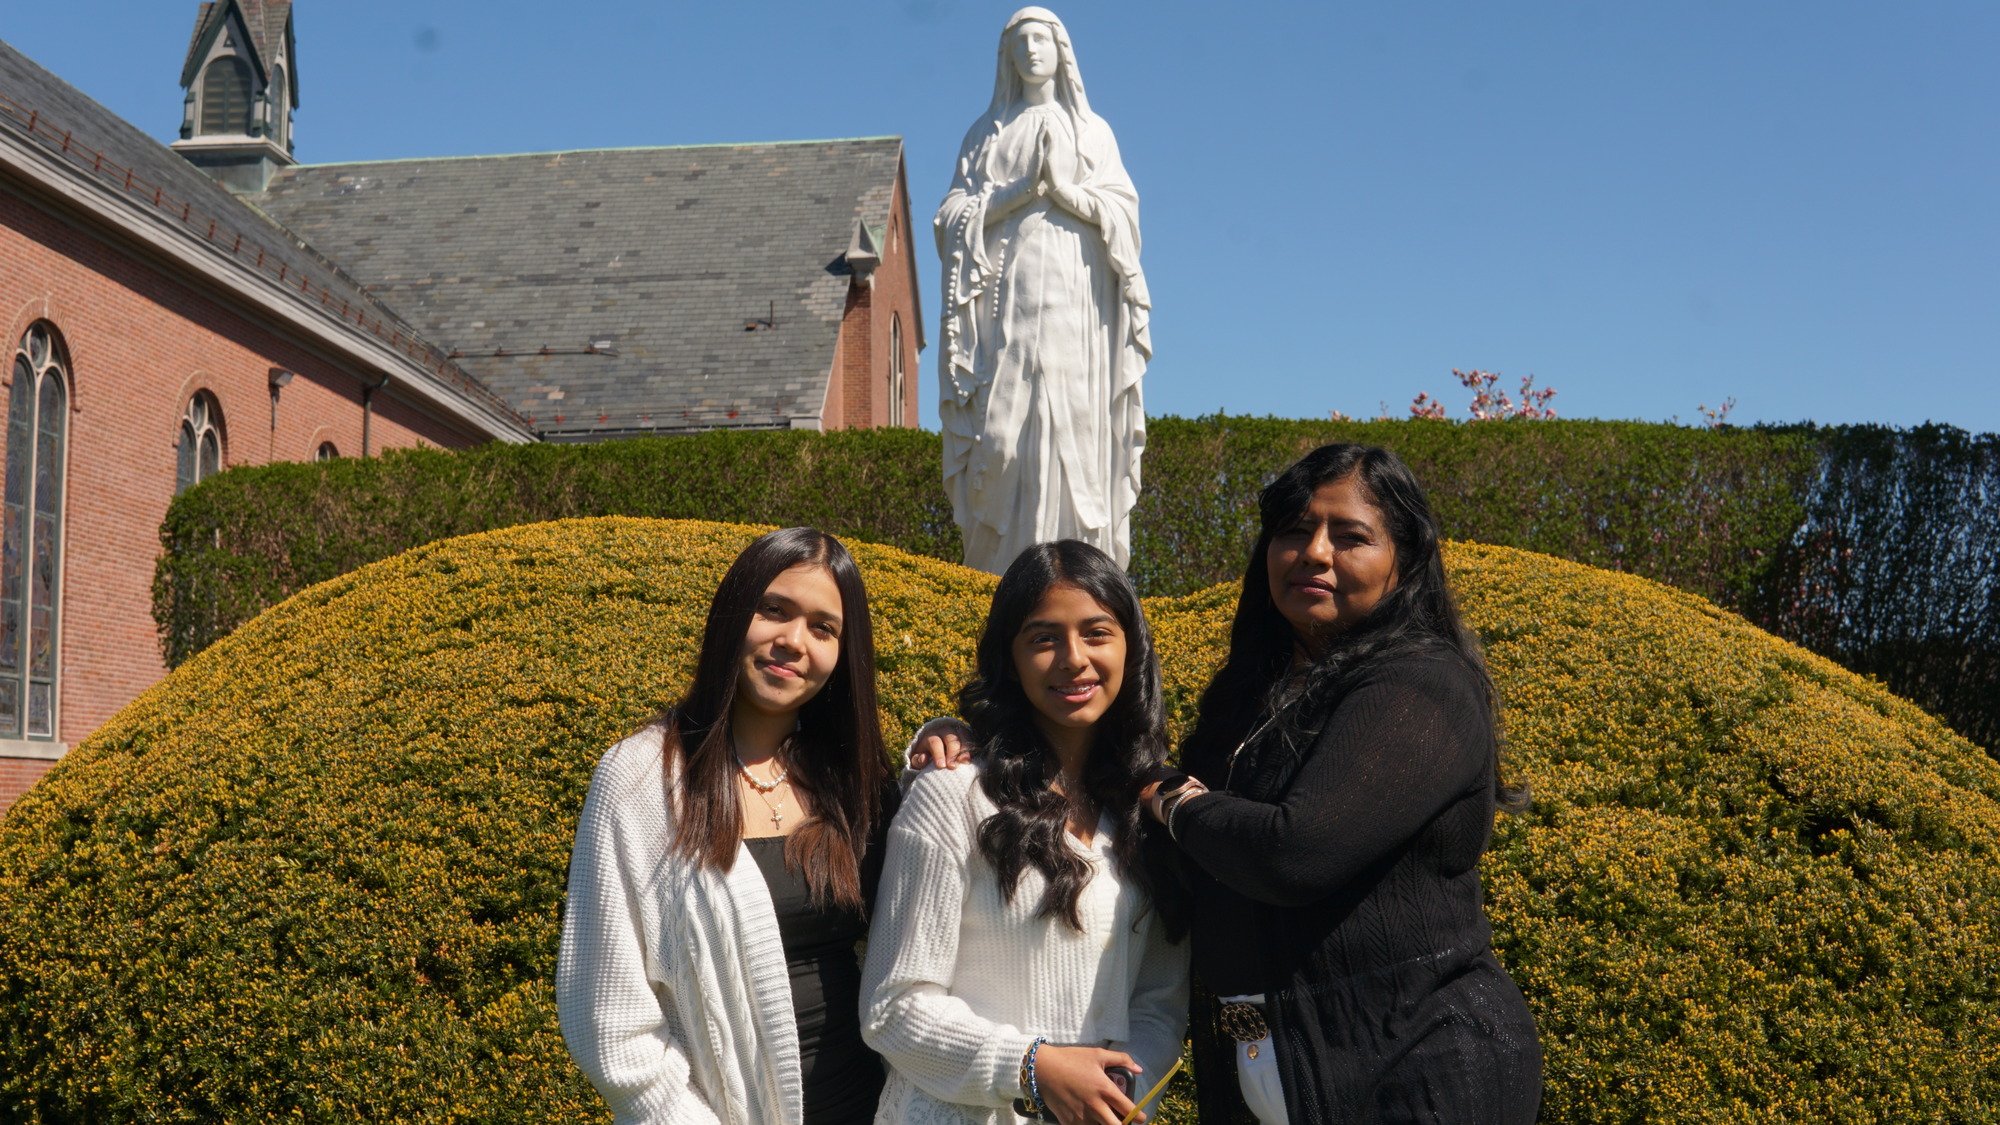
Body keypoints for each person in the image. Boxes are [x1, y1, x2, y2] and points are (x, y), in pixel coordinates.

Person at [1140, 443, 1542, 1123]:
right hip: (1271, 1068)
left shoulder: (1423, 685)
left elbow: (1295, 851)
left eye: (1350, 536)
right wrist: (986, 744)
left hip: (1418, 1072)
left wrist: (1172, 800)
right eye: (1294, 530)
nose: (1315, 552)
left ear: (1404, 561)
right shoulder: (1252, 695)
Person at [557, 527, 896, 1124]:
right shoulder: (640, 780)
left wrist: (948, 739)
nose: (794, 641)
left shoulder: (854, 780)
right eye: (774, 610)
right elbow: (607, 1019)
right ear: (733, 615)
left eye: (823, 628)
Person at [862, 540, 1189, 1124]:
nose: (1073, 659)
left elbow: (1158, 1002)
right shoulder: (953, 794)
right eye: (1043, 638)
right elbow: (893, 1006)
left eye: (1097, 633)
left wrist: (1116, 1097)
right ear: (1009, 658)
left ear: (1132, 648)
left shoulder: (1144, 811)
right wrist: (1031, 1069)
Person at [936, 7, 1152, 574]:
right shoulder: (985, 135)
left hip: (1078, 304)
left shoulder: (1092, 131)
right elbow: (949, 217)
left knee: (1078, 433)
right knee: (1003, 441)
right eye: (1021, 42)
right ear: (1006, 57)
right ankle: (999, 578)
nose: (1032, 50)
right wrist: (1013, 195)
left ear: (1062, 51)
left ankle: (1083, 576)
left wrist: (1063, 192)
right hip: (1004, 303)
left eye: (1042, 39)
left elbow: (1124, 215)